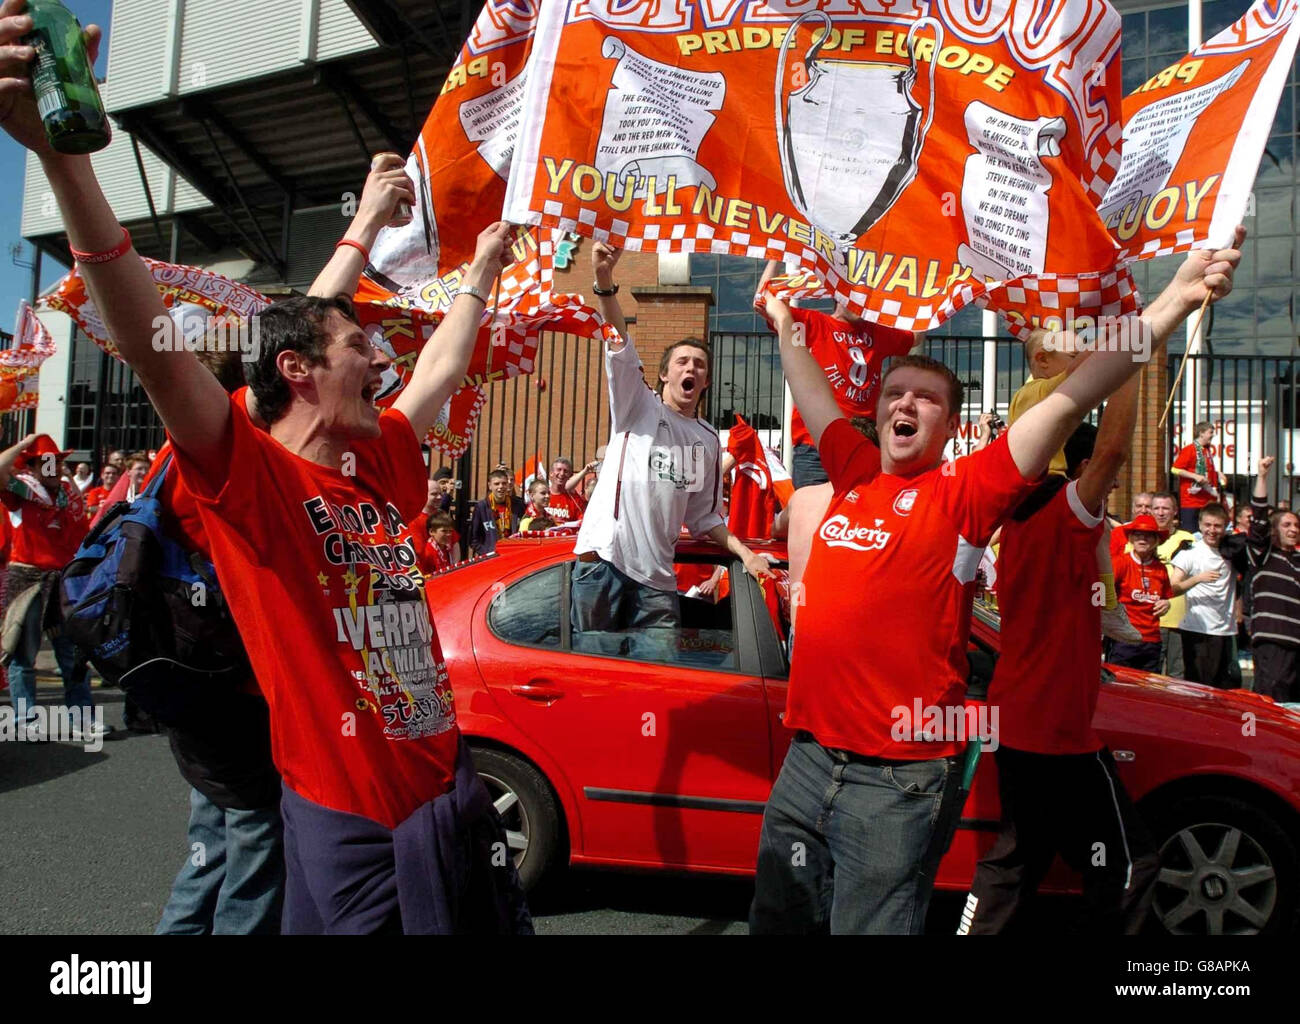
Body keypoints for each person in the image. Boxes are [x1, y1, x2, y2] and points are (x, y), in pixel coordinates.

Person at [3, 38, 531, 932]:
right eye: (362, 347)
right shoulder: (251, 482)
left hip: (451, 795)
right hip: (354, 820)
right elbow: (155, 343)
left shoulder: (379, 464)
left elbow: (439, 369)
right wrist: (64, 164)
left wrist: (481, 272)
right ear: (295, 370)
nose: (383, 356)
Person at [751, 227, 1243, 934]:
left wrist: (1176, 299)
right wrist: (782, 322)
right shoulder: (852, 474)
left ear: (951, 426)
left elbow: (1075, 397)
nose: (905, 405)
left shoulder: (967, 491)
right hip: (805, 760)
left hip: (895, 781)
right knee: (779, 922)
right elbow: (811, 390)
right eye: (895, 393)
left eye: (925, 398)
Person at [961, 373, 1160, 934]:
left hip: (1023, 725)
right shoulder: (1065, 512)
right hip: (1060, 737)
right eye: (1102, 474)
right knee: (1129, 864)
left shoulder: (1014, 515)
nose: (1113, 482)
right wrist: (1132, 352)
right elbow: (1116, 448)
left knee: (1017, 860)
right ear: (1078, 466)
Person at [571, 242, 771, 639]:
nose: (690, 368)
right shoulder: (638, 405)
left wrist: (746, 552)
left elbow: (704, 518)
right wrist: (604, 280)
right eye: (682, 362)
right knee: (594, 687)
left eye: (699, 365)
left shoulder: (708, 440)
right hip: (602, 567)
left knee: (659, 687)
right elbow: (620, 344)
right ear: (664, 376)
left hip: (658, 586)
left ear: (706, 382)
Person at [151, 347, 285, 935]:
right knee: (254, 845)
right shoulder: (214, 445)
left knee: (214, 845)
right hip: (229, 684)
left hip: (196, 676)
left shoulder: (175, 454)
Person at [1007, 327, 1141, 644]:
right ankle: (1106, 603)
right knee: (1097, 532)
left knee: (1102, 531)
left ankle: (1104, 602)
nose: (1080, 358)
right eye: (1073, 354)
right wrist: (1123, 342)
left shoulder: (1030, 395)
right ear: (1042, 360)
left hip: (1039, 484)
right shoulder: (1037, 391)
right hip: (1044, 483)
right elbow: (1086, 373)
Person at [757, 260, 921, 488]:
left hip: (863, 445)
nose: (858, 300)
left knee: (858, 517)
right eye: (852, 293)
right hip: (816, 445)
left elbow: (917, 334)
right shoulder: (815, 323)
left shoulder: (879, 333)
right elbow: (763, 301)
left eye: (864, 295)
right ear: (837, 293)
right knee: (813, 517)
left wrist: (921, 289)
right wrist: (776, 256)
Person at [0, 434, 102, 741]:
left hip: (62, 580)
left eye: (57, 461)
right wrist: (26, 442)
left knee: (72, 655)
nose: (54, 467)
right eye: (46, 462)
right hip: (28, 579)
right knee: (23, 655)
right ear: (31, 467)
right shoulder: (20, 493)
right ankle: (24, 719)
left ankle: (80, 717)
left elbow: (83, 536)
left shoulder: (69, 496)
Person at [1243, 457, 1300, 702]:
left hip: (1296, 644)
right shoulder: (1262, 555)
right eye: (1287, 524)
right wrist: (1263, 477)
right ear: (1274, 529)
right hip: (1272, 641)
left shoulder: (1298, 560)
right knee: (1272, 704)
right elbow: (1258, 520)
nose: (1294, 529)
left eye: (1297, 525)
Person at [1169, 503, 1241, 687]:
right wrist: (1197, 579)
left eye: (1217, 526)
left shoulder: (1231, 552)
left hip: (1225, 629)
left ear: (1225, 527)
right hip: (1196, 629)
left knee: (1224, 686)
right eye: (1207, 525)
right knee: (1198, 686)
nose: (1212, 530)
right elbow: (1173, 588)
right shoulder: (1190, 553)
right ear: (1200, 525)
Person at [1108, 515, 1172, 672]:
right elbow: (1101, 593)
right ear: (1131, 538)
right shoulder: (1120, 562)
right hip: (1124, 639)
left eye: (1148, 535)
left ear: (1156, 540)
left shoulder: (1161, 569)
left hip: (1152, 640)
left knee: (1147, 690)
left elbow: (1164, 597)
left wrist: (1167, 603)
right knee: (1119, 688)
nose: (1143, 539)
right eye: (1138, 534)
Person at [1144, 492, 1196, 676]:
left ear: (1175, 512)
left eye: (1165, 508)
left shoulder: (1188, 539)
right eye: (1156, 508)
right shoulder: (1140, 538)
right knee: (1150, 675)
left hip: (1178, 620)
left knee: (1177, 676)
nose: (1160, 513)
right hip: (1148, 619)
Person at [1171, 422, 1220, 533]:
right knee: (1191, 535)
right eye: (1210, 432)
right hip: (1191, 501)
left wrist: (1217, 474)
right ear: (1201, 433)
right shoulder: (1190, 449)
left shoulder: (1206, 450)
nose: (1213, 435)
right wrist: (1195, 476)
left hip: (1206, 501)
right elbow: (1175, 469)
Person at [468, 469, 524, 556]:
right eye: (496, 484)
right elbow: (473, 539)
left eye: (504, 483)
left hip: (513, 554)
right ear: (490, 486)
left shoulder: (518, 505)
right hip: (491, 557)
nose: (501, 486)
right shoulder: (481, 507)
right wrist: (487, 553)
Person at [541, 457, 585, 524]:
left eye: (566, 471)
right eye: (559, 470)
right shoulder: (541, 496)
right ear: (551, 473)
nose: (562, 473)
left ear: (570, 476)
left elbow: (582, 522)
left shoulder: (575, 499)